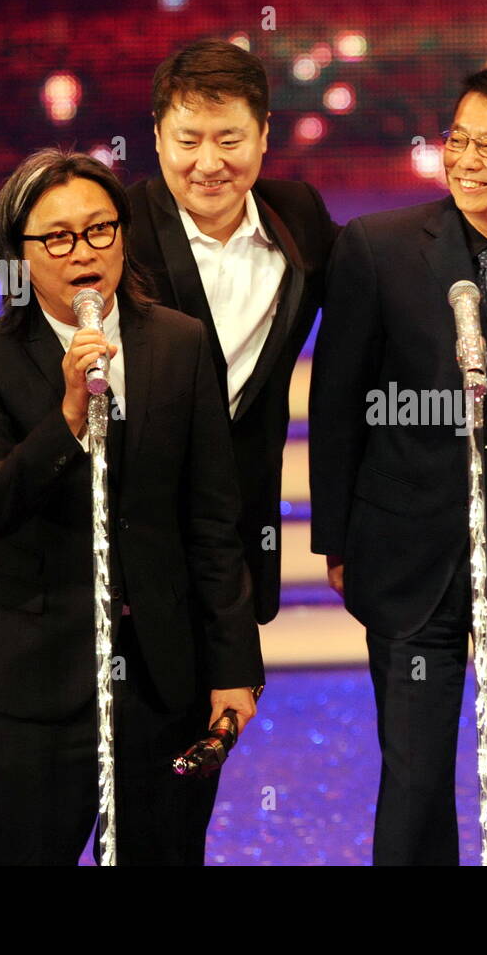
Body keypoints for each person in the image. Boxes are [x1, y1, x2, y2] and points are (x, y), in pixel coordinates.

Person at [0, 149, 262, 865]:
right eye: (56, 238)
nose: (82, 252)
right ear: (18, 256)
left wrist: (235, 664)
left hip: (166, 676)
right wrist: (65, 414)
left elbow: (214, 519)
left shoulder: (179, 344)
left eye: (99, 230)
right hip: (44, 676)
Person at [309, 63, 487, 865]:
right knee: (416, 776)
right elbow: (338, 404)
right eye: (457, 139)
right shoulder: (379, 248)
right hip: (409, 558)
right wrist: (339, 539)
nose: (465, 160)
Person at [128, 38, 339, 626]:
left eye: (229, 139)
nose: (209, 163)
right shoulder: (118, 232)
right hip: (135, 521)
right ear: (158, 136)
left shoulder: (297, 218)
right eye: (188, 141)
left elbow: (388, 268)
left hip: (243, 523)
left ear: (264, 133)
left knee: (229, 696)